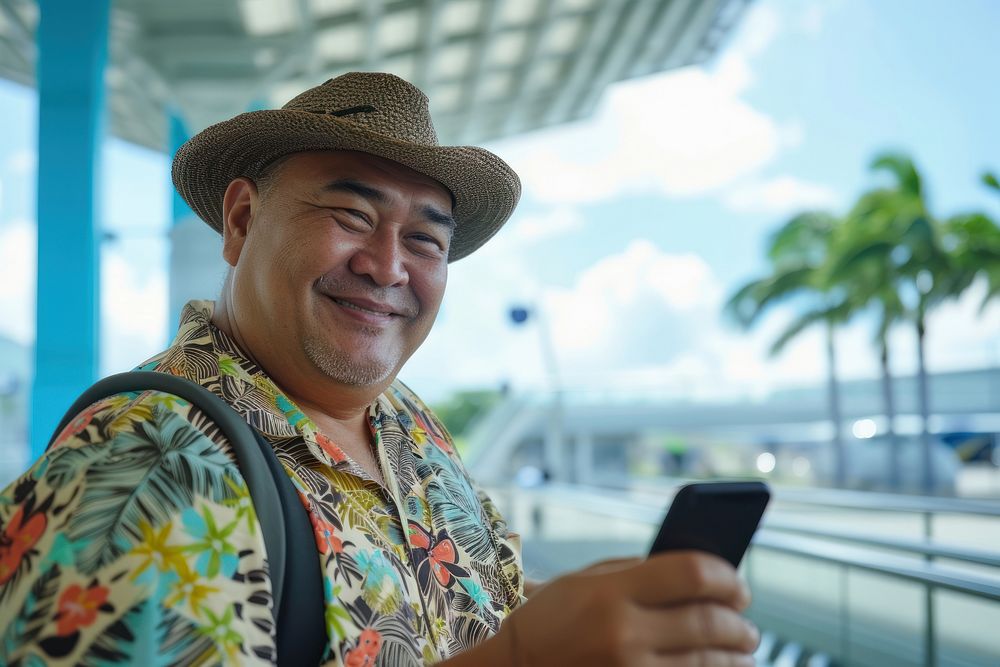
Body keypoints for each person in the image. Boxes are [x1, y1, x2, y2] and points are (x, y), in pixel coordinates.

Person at [0, 72, 758, 666]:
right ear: (240, 220)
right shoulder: (146, 464)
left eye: (426, 241)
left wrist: (595, 620)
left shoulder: (413, 428)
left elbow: (470, 614)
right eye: (350, 216)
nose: (388, 266)